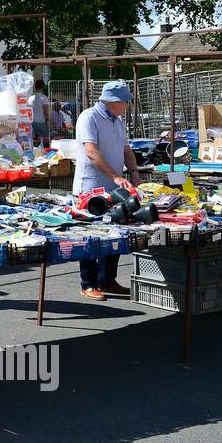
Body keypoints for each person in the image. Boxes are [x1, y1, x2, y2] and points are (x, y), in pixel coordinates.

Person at [73, 80, 142, 300]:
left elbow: (125, 149)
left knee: (115, 234)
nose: (127, 106)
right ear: (113, 102)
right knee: (91, 237)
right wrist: (115, 175)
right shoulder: (89, 117)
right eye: (125, 102)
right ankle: (88, 283)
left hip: (115, 187)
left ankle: (107, 280)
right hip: (90, 188)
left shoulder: (118, 120)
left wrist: (134, 172)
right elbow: (91, 152)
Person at [31, 79, 51, 148]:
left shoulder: (30, 98)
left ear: (34, 87)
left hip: (31, 122)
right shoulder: (44, 98)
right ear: (43, 87)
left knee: (33, 140)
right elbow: (46, 111)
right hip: (41, 121)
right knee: (45, 139)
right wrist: (49, 119)